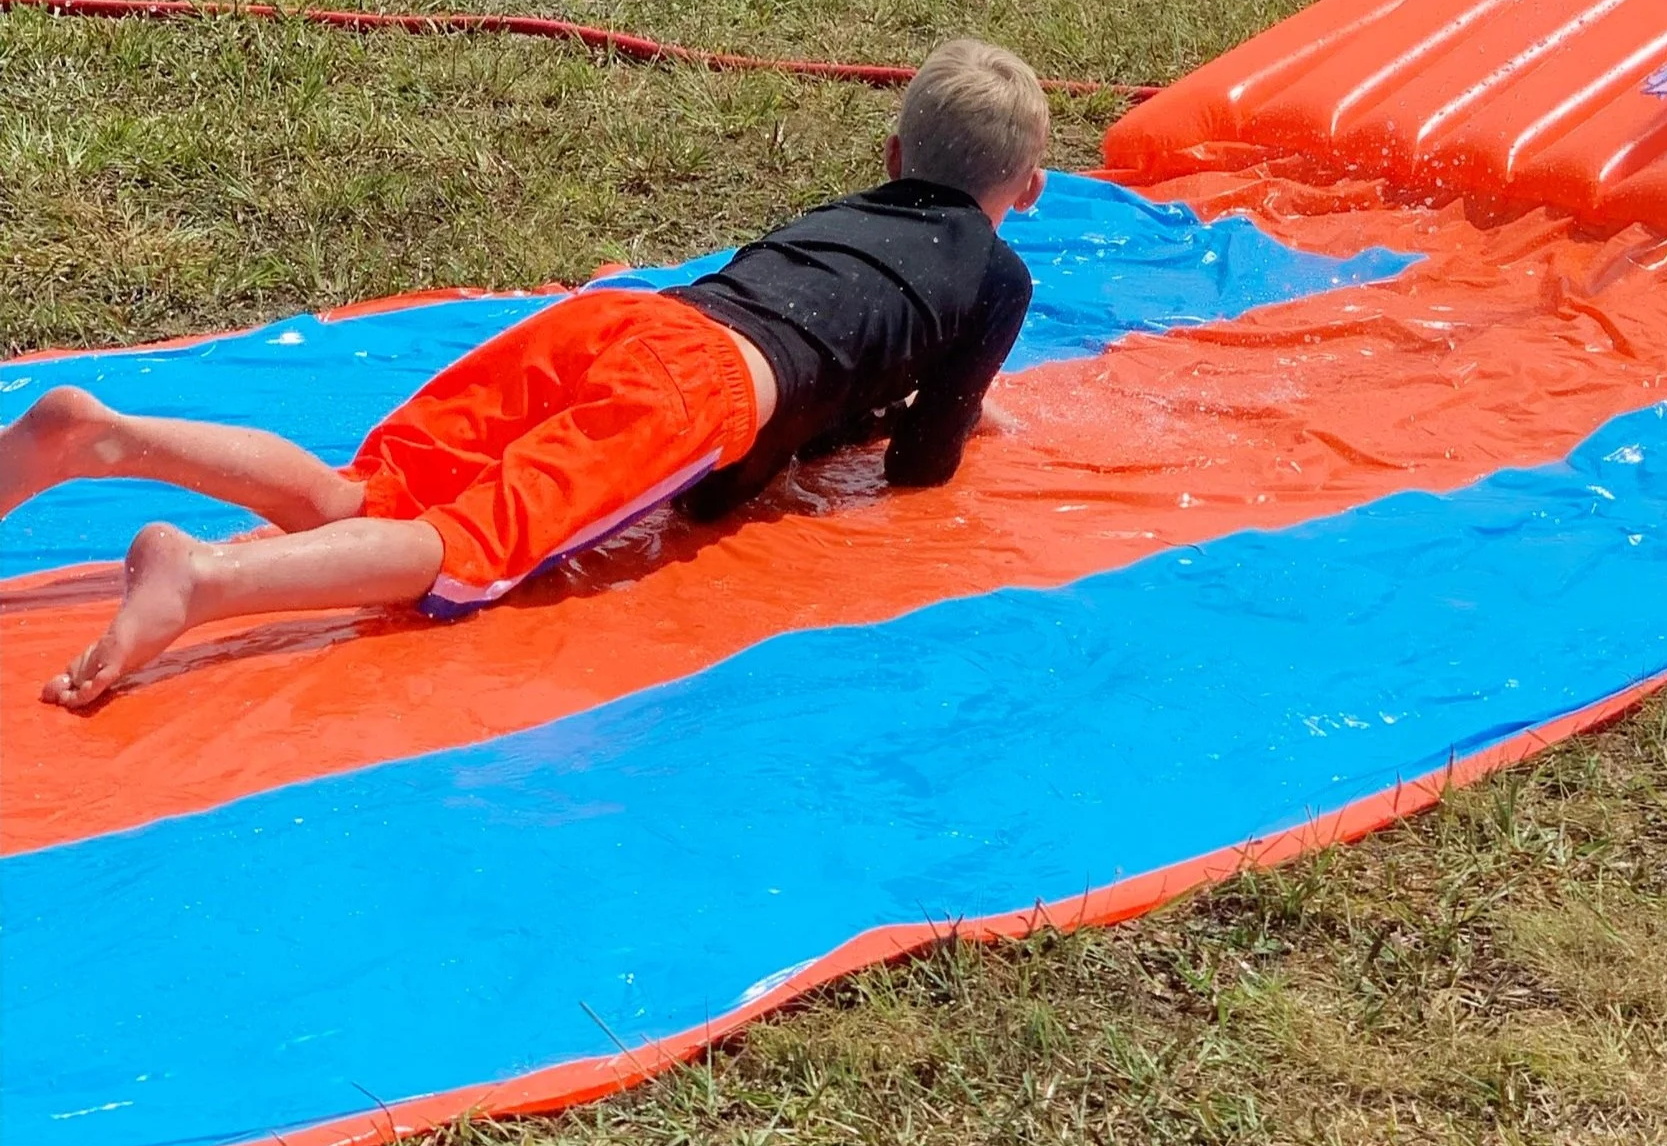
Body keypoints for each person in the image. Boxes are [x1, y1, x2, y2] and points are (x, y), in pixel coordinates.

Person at [2, 37, 1048, 708]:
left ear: (896, 149)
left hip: (622, 320)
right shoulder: (995, 277)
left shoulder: (849, 214)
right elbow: (920, 464)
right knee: (464, 552)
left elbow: (818, 322)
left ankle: (106, 434)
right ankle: (206, 578)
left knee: (360, 496)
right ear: (1033, 188)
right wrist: (922, 420)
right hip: (699, 387)